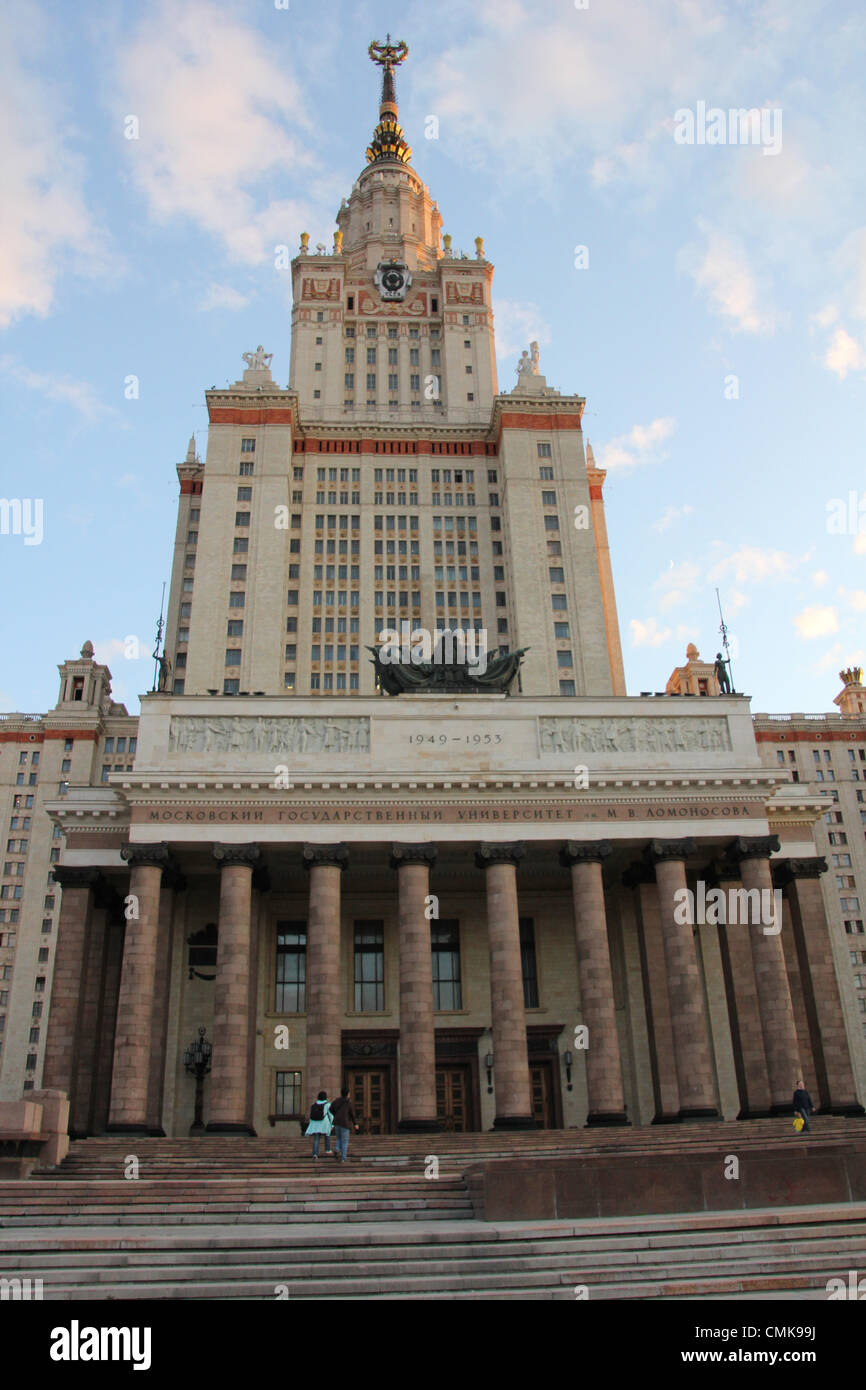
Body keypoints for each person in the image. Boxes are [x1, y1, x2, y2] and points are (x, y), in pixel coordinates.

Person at [329, 1086, 358, 1163]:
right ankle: (343, 1157)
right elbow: (351, 1114)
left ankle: (337, 1149)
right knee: (344, 1141)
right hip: (345, 1123)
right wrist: (355, 1124)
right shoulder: (348, 1102)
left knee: (339, 1138)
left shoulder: (336, 1101)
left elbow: (330, 1109)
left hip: (337, 1122)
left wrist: (336, 1115)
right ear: (348, 1094)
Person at [306, 1090, 333, 1158]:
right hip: (324, 1123)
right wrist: (332, 1124)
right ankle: (327, 1149)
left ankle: (315, 1153)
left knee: (316, 1139)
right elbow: (331, 1115)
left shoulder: (314, 1104)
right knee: (327, 1135)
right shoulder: (327, 1104)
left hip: (315, 1123)